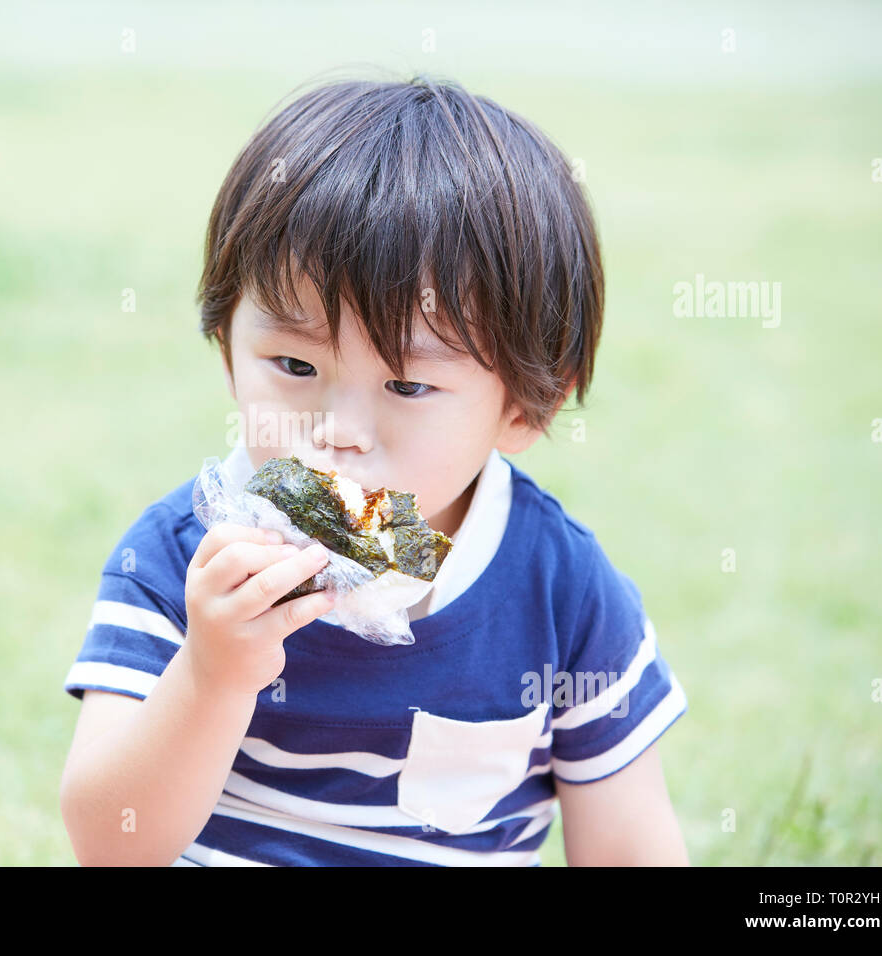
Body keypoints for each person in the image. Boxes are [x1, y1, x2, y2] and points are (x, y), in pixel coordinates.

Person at [60, 72, 689, 866]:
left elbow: (629, 847)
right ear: (227, 353)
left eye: (408, 385)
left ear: (526, 407)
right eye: (291, 363)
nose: (336, 432)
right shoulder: (178, 559)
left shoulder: (561, 590)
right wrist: (213, 676)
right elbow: (107, 844)